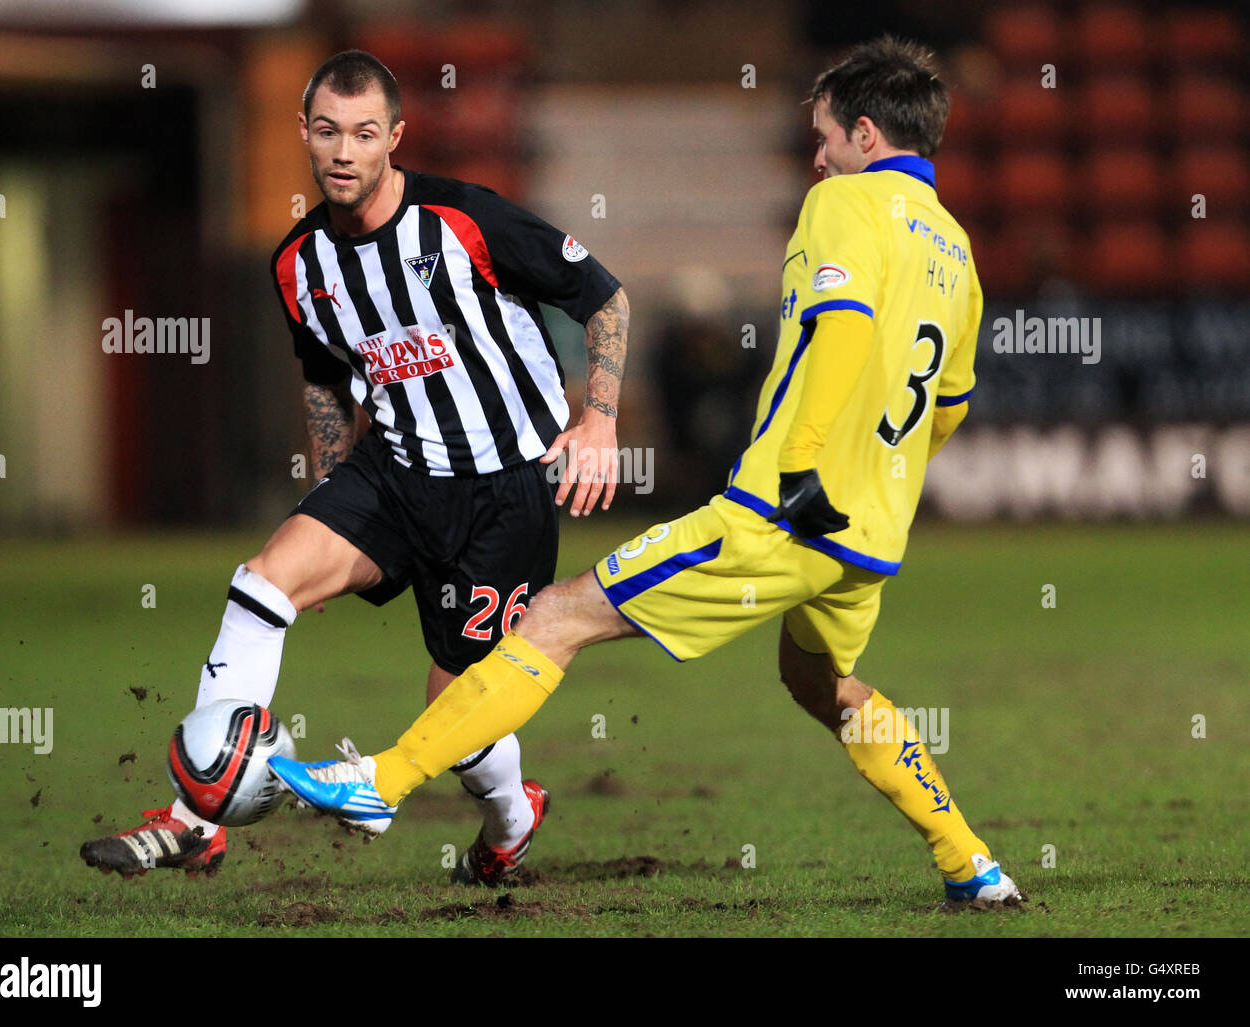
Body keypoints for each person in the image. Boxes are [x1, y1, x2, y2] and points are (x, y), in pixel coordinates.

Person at [271, 36, 1025, 908]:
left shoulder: (845, 205)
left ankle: (385, 779)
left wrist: (807, 467)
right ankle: (973, 862)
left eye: (822, 137)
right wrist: (882, 485)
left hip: (784, 513)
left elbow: (845, 327)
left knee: (556, 614)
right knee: (824, 683)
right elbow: (952, 406)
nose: (814, 157)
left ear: (864, 134)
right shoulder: (957, 249)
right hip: (871, 536)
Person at [80, 49, 630, 886]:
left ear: (395, 138)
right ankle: (201, 815)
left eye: (364, 133)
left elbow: (603, 295)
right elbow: (324, 377)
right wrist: (332, 493)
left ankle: (513, 820)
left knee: (458, 712)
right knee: (264, 584)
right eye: (328, 131)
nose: (344, 151)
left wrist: (600, 420)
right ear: (304, 132)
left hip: (502, 493)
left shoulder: (466, 220)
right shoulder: (296, 264)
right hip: (395, 473)